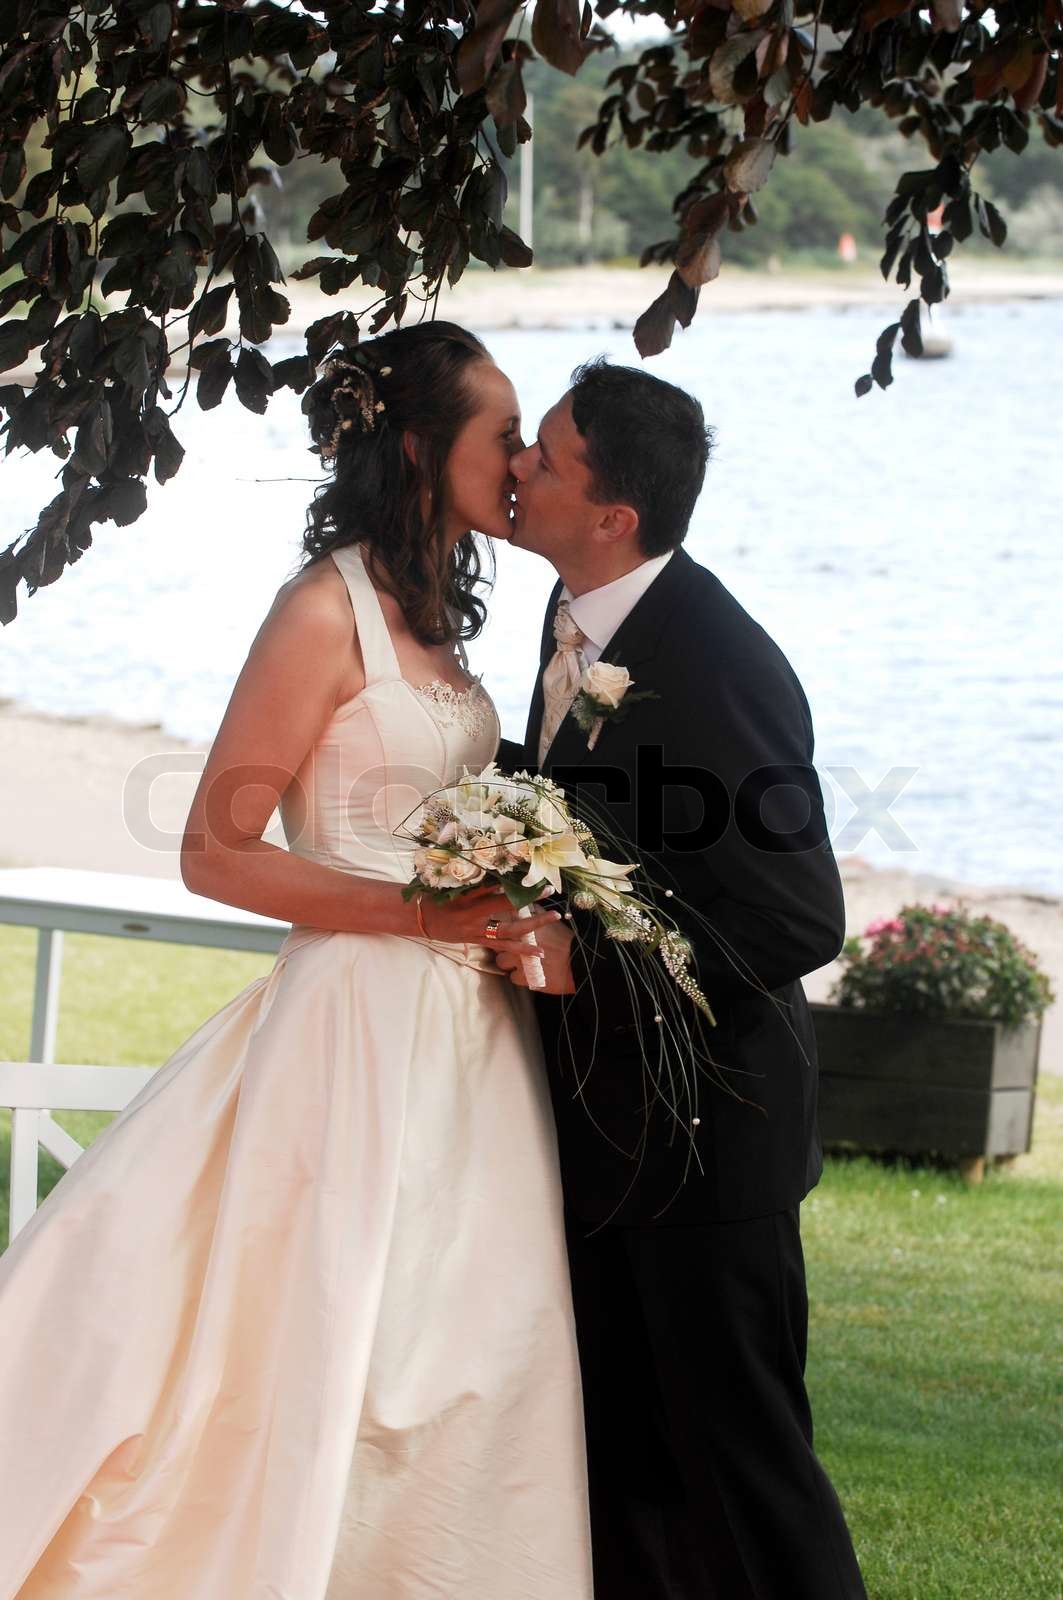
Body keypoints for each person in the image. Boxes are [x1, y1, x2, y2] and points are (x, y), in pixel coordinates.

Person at [0, 323, 592, 1600]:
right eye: (504, 434)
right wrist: (423, 920)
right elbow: (215, 853)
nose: (523, 458)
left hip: (472, 1042)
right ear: (425, 447)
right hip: (356, 1031)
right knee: (331, 1340)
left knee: (469, 1345)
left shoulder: (439, 618)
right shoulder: (322, 611)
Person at [494, 358, 868, 1600]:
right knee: (630, 1478)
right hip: (607, 1134)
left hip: (712, 1140)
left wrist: (584, 957)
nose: (517, 469)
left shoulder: (713, 658)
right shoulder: (575, 622)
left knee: (747, 1477)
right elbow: (610, 825)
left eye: (542, 456)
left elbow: (797, 914)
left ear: (614, 515)